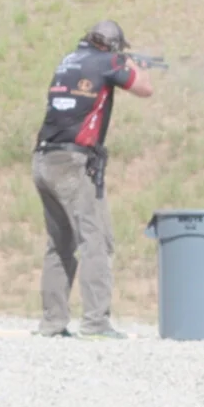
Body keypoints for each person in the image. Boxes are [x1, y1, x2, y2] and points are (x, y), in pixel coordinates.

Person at [32, 19, 157, 338]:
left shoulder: (68, 60)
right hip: (73, 163)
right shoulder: (108, 61)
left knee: (59, 244)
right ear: (114, 46)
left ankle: (52, 322)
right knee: (95, 241)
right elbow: (145, 88)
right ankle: (96, 323)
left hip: (44, 159)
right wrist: (130, 64)